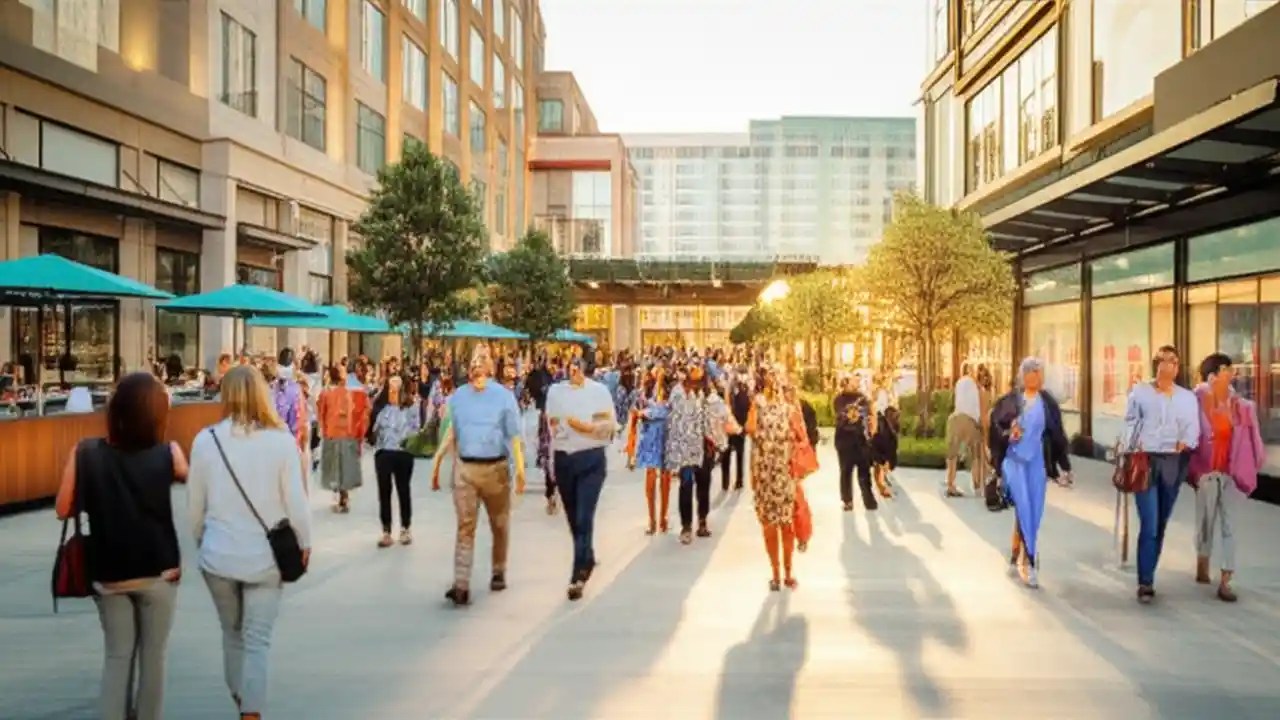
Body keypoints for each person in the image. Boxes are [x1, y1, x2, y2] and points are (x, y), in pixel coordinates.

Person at [54, 373, 188, 720]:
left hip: (108, 570)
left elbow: (62, 508)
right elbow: (195, 477)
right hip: (160, 569)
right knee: (154, 656)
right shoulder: (169, 453)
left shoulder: (85, 453)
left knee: (117, 656)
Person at [187, 365, 312, 720]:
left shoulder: (205, 441)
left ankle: (242, 699)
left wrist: (203, 540)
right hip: (265, 559)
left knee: (232, 634)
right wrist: (305, 542)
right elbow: (296, 502)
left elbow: (195, 507)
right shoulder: (281, 441)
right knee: (257, 641)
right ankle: (251, 712)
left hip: (218, 557)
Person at [432, 347, 526, 607]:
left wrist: (519, 469)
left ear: (491, 368)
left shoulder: (504, 397)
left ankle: (498, 569)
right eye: (473, 360)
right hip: (466, 470)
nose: (476, 364)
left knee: (499, 523)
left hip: (496, 469)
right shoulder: (458, 397)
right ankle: (461, 584)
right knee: (465, 527)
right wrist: (438, 462)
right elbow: (452, 432)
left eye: (482, 360)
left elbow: (514, 435)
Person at [1124, 345, 1199, 604]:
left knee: (1161, 523)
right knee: (1150, 522)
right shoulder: (1141, 392)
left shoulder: (1186, 397)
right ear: (1155, 364)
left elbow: (1193, 429)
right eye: (1163, 360)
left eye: (1174, 361)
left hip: (1173, 462)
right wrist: (1135, 443)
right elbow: (1129, 421)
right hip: (1145, 461)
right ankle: (1145, 582)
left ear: (1178, 368)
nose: (1168, 365)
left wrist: (1185, 441)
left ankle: (1149, 571)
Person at [989, 357, 1072, 589]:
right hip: (1014, 461)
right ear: (1023, 376)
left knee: (1033, 513)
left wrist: (1064, 466)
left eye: (1039, 372)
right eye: (1032, 372)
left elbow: (1058, 436)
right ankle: (1031, 563)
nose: (1036, 376)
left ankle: (1016, 553)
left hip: (1037, 463)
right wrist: (1008, 434)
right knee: (1024, 507)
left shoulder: (1048, 404)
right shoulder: (1010, 402)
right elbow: (995, 430)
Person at [1188, 353, 1263, 603]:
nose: (1232, 374)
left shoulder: (1240, 406)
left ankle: (1225, 581)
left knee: (1229, 527)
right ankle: (1202, 563)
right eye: (1227, 370)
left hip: (1230, 475)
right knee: (1205, 524)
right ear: (1213, 375)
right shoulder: (1195, 403)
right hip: (1206, 474)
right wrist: (1193, 472)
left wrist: (1254, 464)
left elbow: (1253, 441)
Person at [546, 356, 617, 600]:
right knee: (573, 517)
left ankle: (578, 574)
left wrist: (585, 428)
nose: (573, 368)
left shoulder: (599, 392)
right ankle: (586, 553)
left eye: (577, 363)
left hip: (591, 460)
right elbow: (554, 425)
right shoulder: (556, 392)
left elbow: (607, 427)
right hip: (564, 459)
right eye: (570, 364)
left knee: (584, 515)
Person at [745, 366, 798, 591]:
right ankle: (779, 573)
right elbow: (750, 429)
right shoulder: (762, 405)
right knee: (775, 524)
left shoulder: (786, 408)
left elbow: (798, 439)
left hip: (778, 472)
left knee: (781, 524)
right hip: (770, 472)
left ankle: (783, 572)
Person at [371, 374, 421, 548]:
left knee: (403, 490)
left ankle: (405, 528)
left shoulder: (411, 407)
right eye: (390, 388)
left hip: (403, 452)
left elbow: (416, 429)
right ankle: (386, 530)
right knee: (384, 491)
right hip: (383, 451)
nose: (393, 392)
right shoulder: (381, 408)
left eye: (396, 389)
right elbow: (372, 428)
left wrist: (410, 443)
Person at [317, 364, 370, 512]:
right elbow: (363, 409)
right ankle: (343, 495)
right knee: (345, 465)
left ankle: (341, 495)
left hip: (333, 432)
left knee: (336, 466)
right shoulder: (352, 392)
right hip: (347, 432)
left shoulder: (326, 393)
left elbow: (322, 412)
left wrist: (324, 429)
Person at [667, 364, 709, 545]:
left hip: (699, 446)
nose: (697, 386)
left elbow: (704, 419)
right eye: (695, 382)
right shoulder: (676, 395)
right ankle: (686, 525)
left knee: (703, 482)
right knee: (686, 484)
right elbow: (672, 421)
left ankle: (702, 521)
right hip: (682, 449)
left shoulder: (698, 395)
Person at [635, 368, 673, 534]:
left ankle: (663, 517)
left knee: (665, 479)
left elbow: (668, 411)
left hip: (664, 436)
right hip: (650, 437)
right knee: (651, 477)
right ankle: (652, 519)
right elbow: (634, 410)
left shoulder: (670, 392)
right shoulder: (644, 392)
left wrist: (646, 413)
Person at [832, 375, 876, 512]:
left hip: (861, 440)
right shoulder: (839, 399)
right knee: (845, 471)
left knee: (864, 471)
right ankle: (847, 500)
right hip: (844, 441)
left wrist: (871, 431)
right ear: (845, 382)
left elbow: (870, 416)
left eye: (858, 380)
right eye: (854, 380)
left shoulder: (864, 398)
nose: (857, 382)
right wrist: (852, 415)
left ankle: (868, 499)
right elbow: (842, 416)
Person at [945, 363, 984, 497]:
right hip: (969, 419)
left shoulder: (959, 383)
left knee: (952, 455)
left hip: (955, 418)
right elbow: (975, 405)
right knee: (975, 454)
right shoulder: (974, 385)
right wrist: (979, 422)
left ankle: (950, 485)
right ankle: (977, 484)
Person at [721, 370, 751, 491]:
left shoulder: (729, 390)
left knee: (727, 454)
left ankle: (726, 481)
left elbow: (726, 406)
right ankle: (739, 480)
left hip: (730, 425)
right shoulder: (745, 392)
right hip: (739, 426)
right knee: (739, 454)